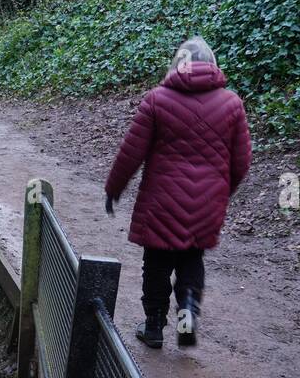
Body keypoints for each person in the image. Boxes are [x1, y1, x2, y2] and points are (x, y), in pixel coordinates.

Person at [104, 36, 251, 349]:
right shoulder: (232, 104)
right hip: (208, 203)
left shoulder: (157, 100)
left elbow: (131, 153)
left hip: (161, 201)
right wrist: (222, 193)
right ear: (212, 65)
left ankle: (154, 326)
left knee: (156, 263)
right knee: (191, 259)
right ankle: (187, 317)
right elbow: (241, 162)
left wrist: (114, 188)